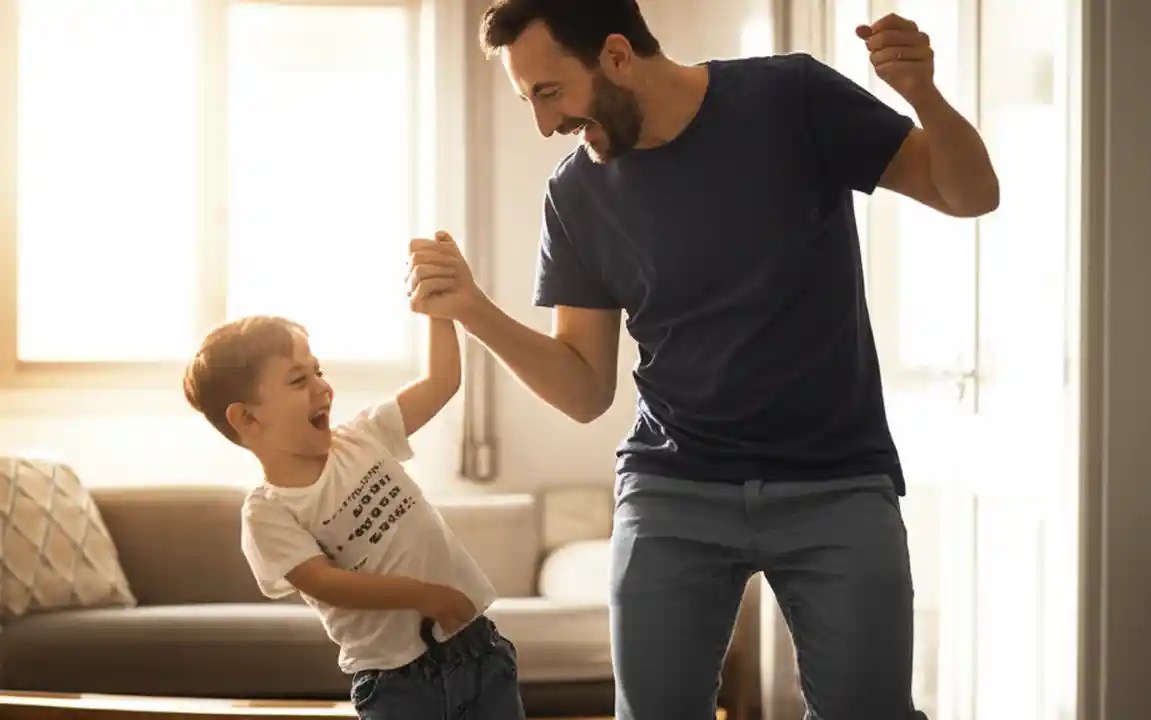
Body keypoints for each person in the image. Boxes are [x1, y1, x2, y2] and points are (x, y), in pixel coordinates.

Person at [408, 1, 998, 717]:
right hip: (674, 490)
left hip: (837, 481)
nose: (543, 123)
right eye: (529, 99)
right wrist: (472, 308)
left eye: (549, 92)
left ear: (618, 56)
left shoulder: (790, 99)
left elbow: (971, 193)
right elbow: (585, 388)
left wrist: (922, 94)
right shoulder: (577, 194)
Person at [182, 234, 525, 720]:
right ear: (247, 419)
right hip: (397, 683)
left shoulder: (364, 436)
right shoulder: (269, 512)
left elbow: (442, 382)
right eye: (299, 380)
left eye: (317, 371)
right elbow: (328, 583)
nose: (322, 387)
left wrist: (436, 306)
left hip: (475, 649)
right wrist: (430, 597)